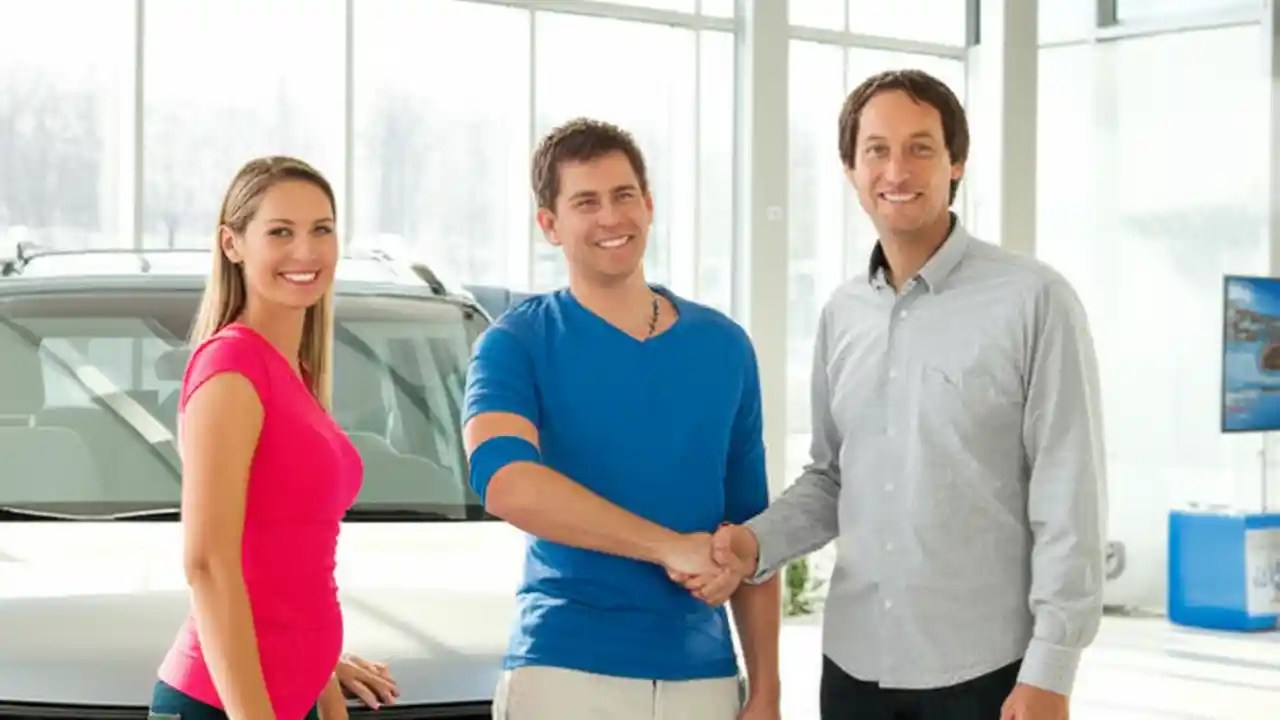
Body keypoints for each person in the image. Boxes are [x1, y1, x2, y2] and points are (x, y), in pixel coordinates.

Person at [681, 69, 1108, 720]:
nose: (896, 169)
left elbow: (1068, 496)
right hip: (852, 669)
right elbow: (830, 480)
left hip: (986, 671)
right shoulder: (841, 314)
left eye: (920, 148)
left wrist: (1052, 668)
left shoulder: (1034, 300)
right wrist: (752, 545)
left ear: (955, 163)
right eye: (876, 149)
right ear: (851, 169)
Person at [462, 117, 781, 720]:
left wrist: (766, 688)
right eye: (586, 202)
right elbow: (504, 482)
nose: (611, 217)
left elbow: (751, 528)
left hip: (705, 678)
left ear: (649, 205)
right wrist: (667, 548)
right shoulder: (515, 343)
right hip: (565, 671)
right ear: (549, 225)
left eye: (623, 195)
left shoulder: (724, 346)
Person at [150, 156, 363, 720]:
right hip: (224, 706)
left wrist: (325, 689)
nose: (307, 251)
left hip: (297, 699)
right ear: (232, 244)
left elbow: (298, 567)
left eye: (322, 229)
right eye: (280, 232)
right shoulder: (231, 369)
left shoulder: (293, 372)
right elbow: (207, 564)